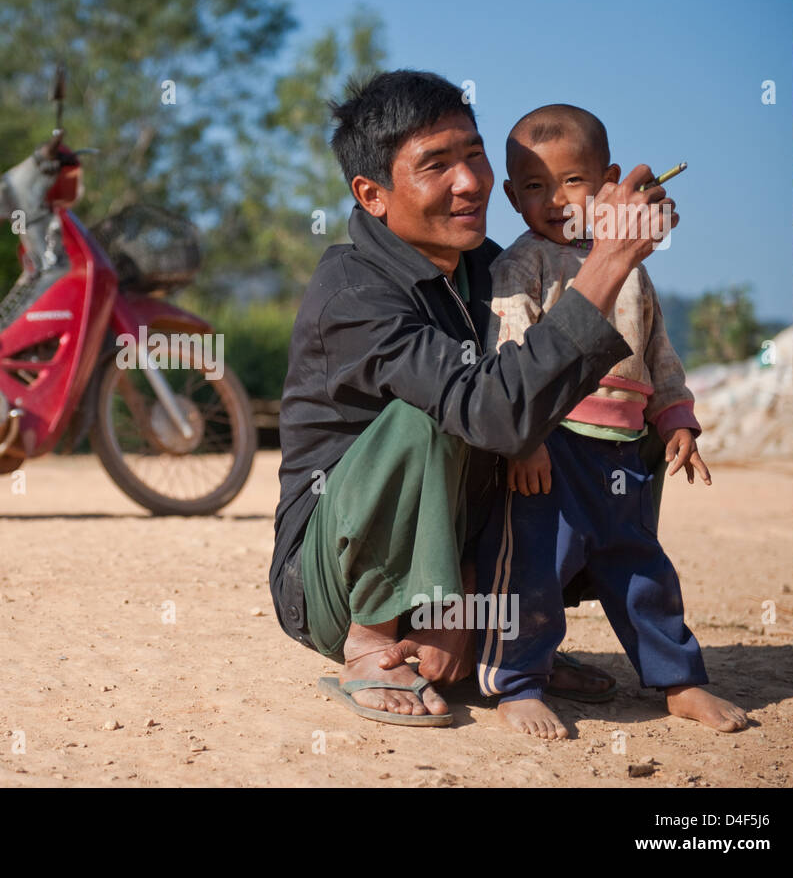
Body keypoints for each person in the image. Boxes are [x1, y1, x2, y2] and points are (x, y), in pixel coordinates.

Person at [269, 69, 675, 725]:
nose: (470, 182)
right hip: (333, 584)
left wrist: (459, 602)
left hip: (458, 556)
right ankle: (374, 642)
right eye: (437, 165)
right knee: (430, 416)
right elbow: (489, 412)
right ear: (371, 194)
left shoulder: (498, 267)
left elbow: (540, 394)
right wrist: (606, 264)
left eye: (475, 155)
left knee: (617, 410)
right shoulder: (352, 294)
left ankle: (514, 637)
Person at [475, 103, 749, 738]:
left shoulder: (630, 266)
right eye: (535, 186)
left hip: (621, 453)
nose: (555, 199)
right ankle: (517, 683)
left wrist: (675, 420)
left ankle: (680, 681)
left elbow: (657, 353)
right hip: (554, 449)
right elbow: (509, 356)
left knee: (642, 567)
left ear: (610, 182)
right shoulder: (521, 266)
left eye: (573, 181)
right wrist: (526, 440)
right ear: (513, 196)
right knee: (531, 572)